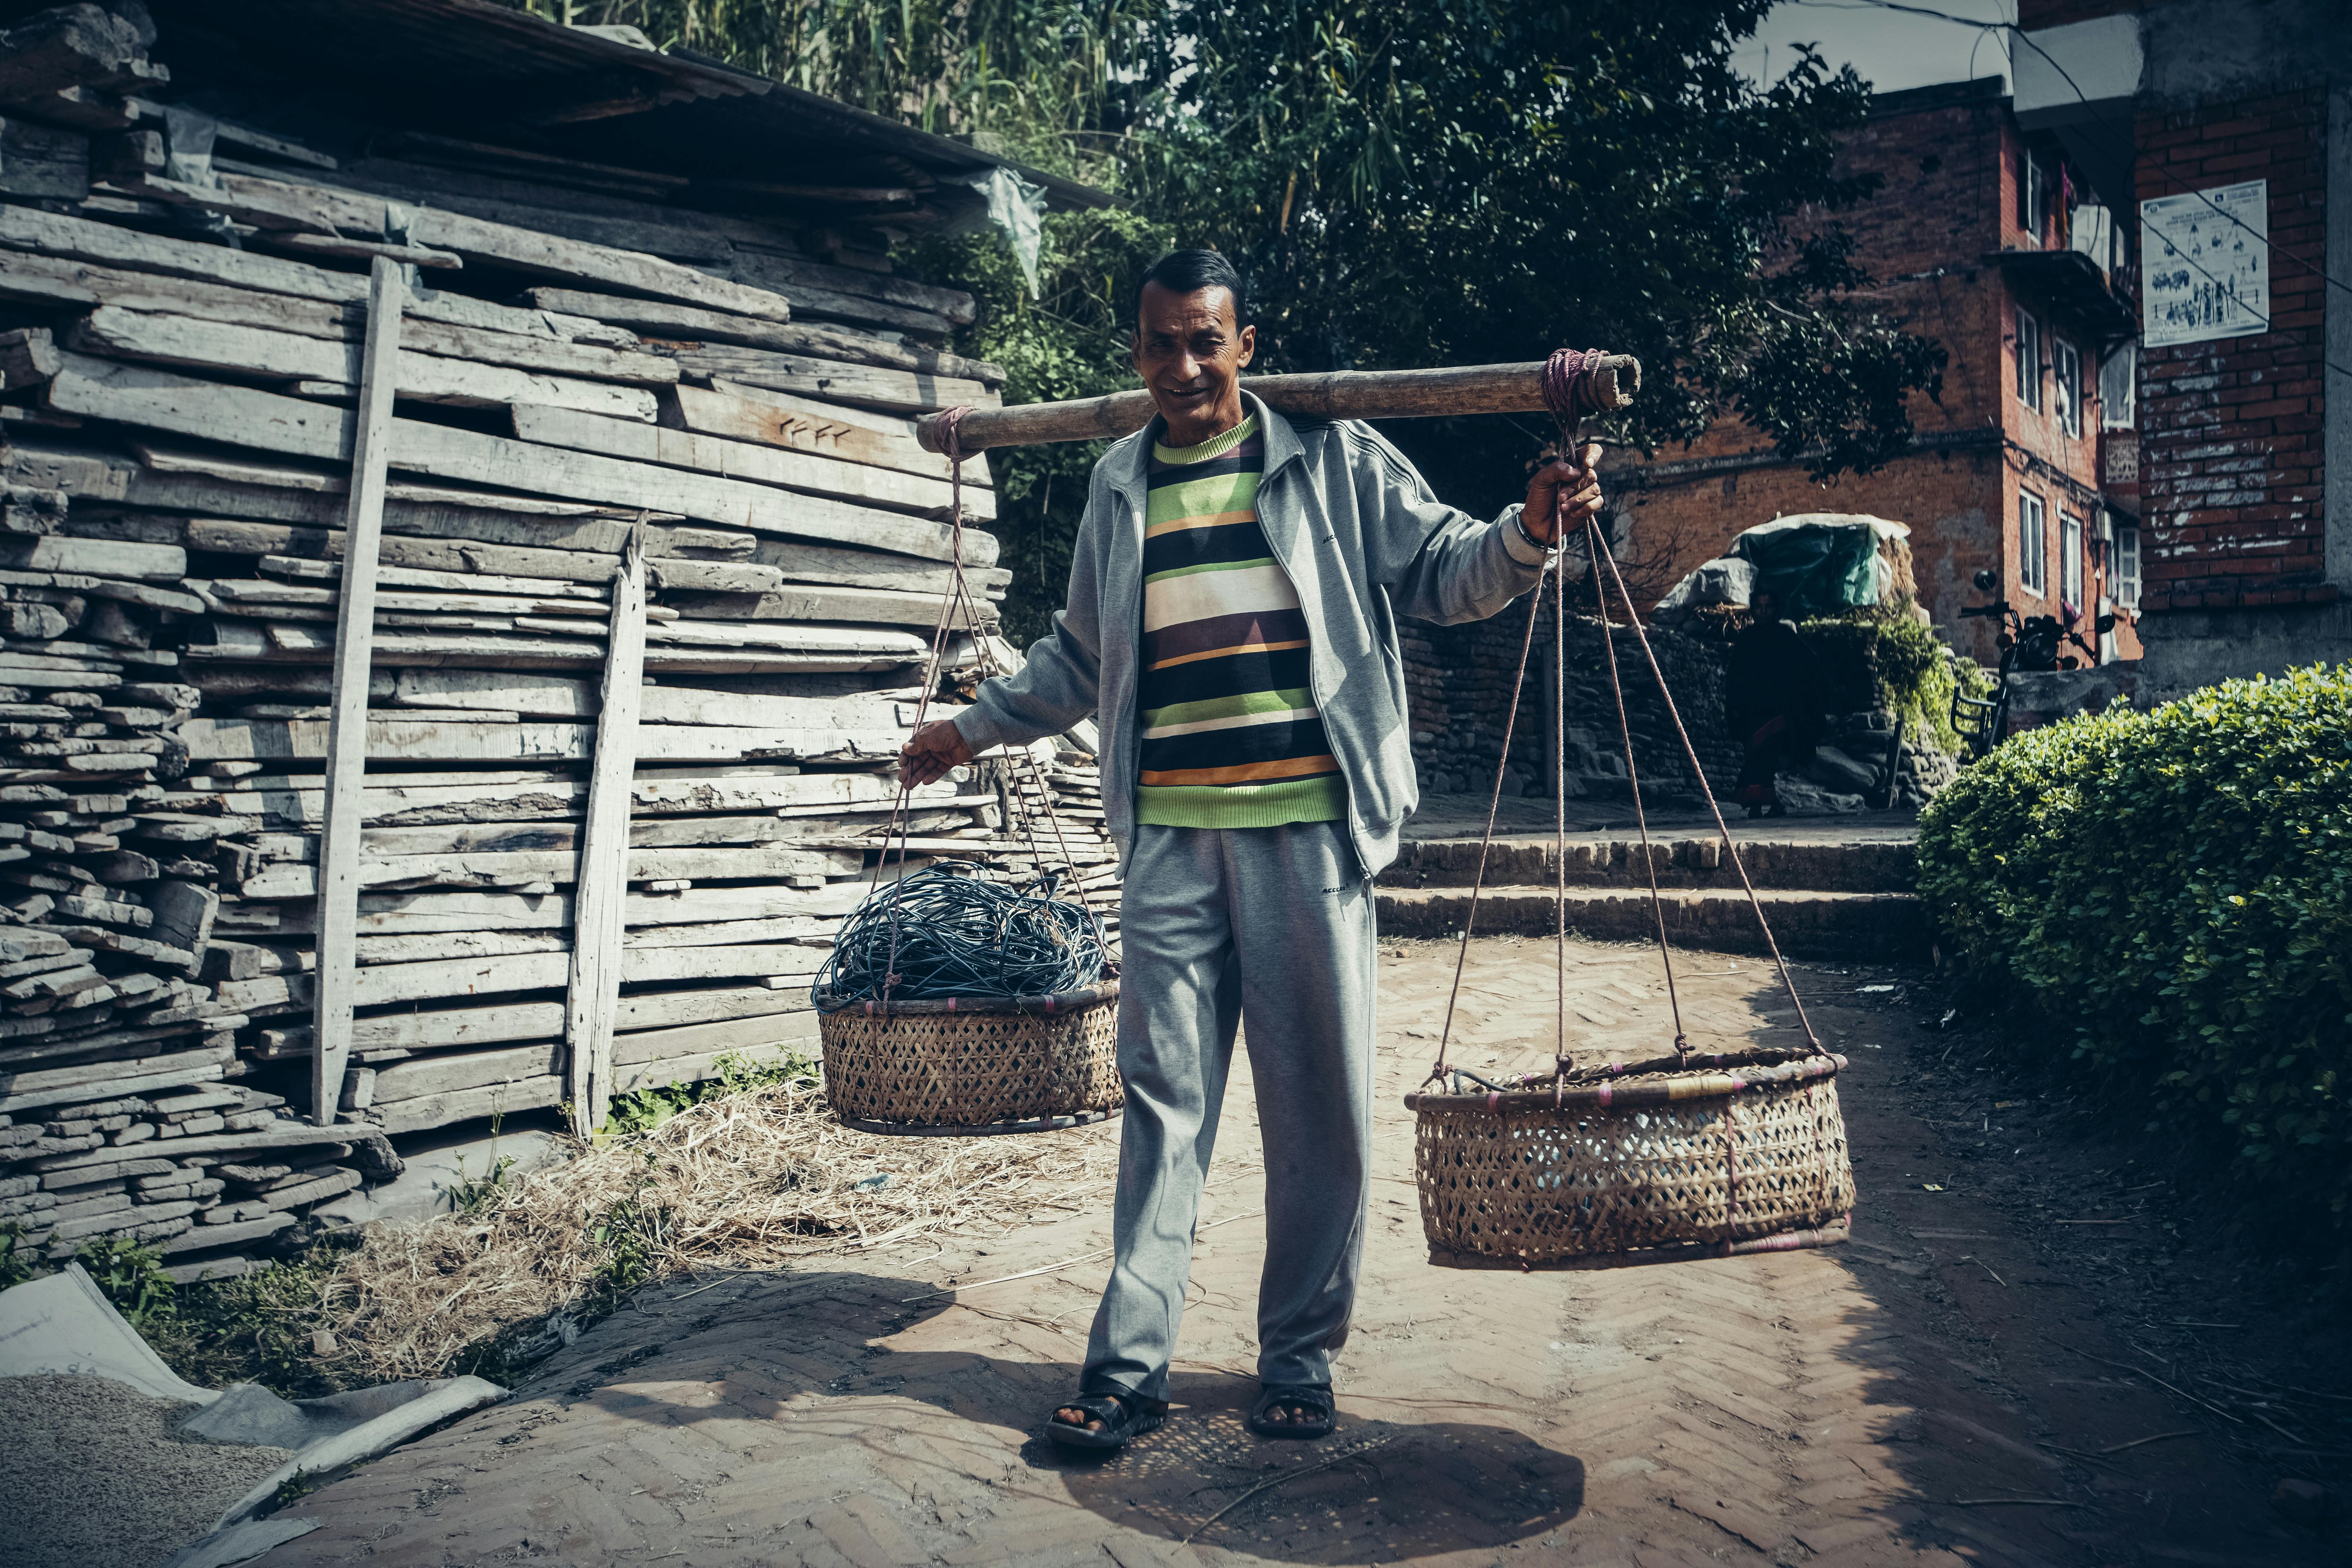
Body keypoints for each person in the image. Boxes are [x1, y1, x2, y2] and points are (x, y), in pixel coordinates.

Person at [898, 249, 1606, 1450]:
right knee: (1162, 1101)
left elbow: (1444, 571)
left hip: (1307, 838)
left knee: (1316, 1107)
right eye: (1161, 342)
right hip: (1170, 842)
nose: (1182, 365)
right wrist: (967, 728)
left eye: (1205, 340)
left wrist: (1529, 531)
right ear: (1137, 354)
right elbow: (1079, 659)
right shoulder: (1120, 485)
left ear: (1248, 344)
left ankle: (1297, 1355)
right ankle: (1128, 1365)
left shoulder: (1327, 456)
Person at [1724, 587, 1826, 818]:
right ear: (1753, 610)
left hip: (1777, 710)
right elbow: (1735, 675)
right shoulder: (1746, 639)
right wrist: (1734, 706)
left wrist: (1801, 700)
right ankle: (1764, 803)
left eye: (1767, 607)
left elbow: (1809, 663)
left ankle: (1761, 803)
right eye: (1759, 607)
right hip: (1751, 710)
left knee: (1768, 756)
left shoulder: (1785, 637)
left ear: (1775, 610)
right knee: (1753, 756)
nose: (1763, 612)